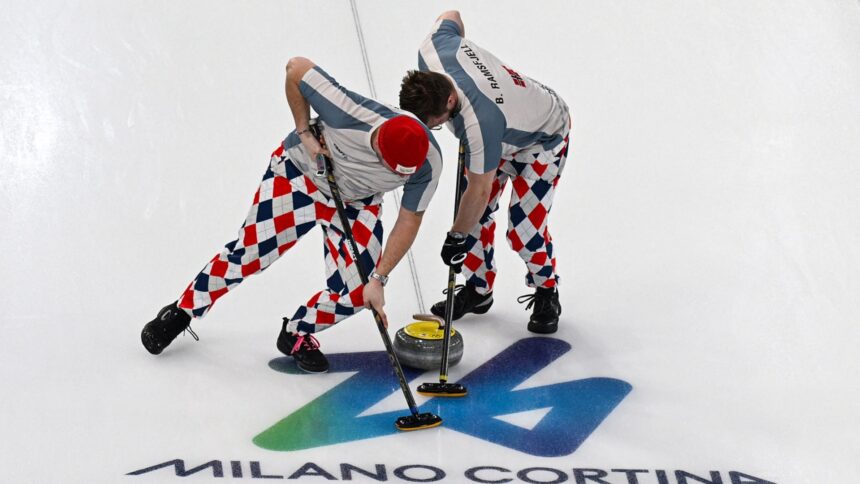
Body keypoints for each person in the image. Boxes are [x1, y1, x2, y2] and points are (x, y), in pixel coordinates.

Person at [141, 57, 442, 373]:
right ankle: (183, 310)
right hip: (300, 176)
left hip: (357, 203)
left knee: (359, 293)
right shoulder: (349, 112)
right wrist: (305, 132)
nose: (393, 173)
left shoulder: (429, 163)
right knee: (250, 255)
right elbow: (296, 68)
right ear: (378, 143)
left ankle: (297, 332)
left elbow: (409, 219)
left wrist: (379, 278)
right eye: (388, 165)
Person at [399, 10, 570, 334]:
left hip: (543, 139)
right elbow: (452, 15)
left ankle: (547, 289)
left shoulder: (479, 124)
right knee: (473, 216)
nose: (432, 129)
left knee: (523, 229)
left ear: (450, 99)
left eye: (435, 122)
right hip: (501, 126)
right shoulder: (432, 49)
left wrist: (456, 237)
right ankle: (479, 290)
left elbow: (479, 190)